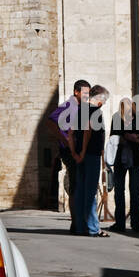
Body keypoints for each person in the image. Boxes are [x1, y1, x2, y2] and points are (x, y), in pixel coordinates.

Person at [49, 79, 91, 233]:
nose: (87, 96)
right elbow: (51, 122)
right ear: (76, 92)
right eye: (85, 93)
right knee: (75, 185)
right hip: (69, 151)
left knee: (78, 184)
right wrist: (65, 139)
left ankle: (79, 222)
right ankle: (76, 223)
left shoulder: (80, 107)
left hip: (77, 151)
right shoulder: (69, 105)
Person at [72, 84, 110, 237]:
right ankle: (94, 228)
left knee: (81, 191)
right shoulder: (96, 112)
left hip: (81, 156)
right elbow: (88, 131)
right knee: (90, 193)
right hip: (91, 154)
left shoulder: (81, 110)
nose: (104, 103)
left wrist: (76, 153)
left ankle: (81, 227)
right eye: (105, 101)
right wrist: (83, 151)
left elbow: (71, 133)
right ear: (100, 99)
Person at [109, 98, 139, 232]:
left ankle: (136, 223)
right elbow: (113, 138)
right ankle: (120, 223)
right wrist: (123, 138)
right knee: (119, 191)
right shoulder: (116, 118)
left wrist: (135, 137)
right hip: (120, 159)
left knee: (135, 191)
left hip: (136, 158)